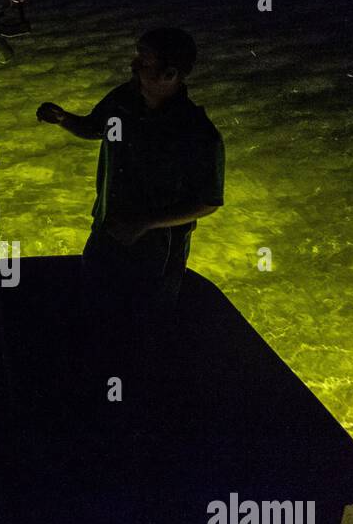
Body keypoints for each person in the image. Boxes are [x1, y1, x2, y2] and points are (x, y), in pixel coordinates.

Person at [36, 27, 224, 364]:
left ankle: (138, 383)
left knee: (146, 325)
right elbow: (94, 128)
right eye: (137, 55)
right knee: (95, 304)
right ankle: (98, 372)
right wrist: (64, 119)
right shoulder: (122, 100)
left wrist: (145, 223)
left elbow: (207, 202)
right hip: (107, 228)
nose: (133, 65)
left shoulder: (197, 132)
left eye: (144, 60)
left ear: (170, 74)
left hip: (159, 252)